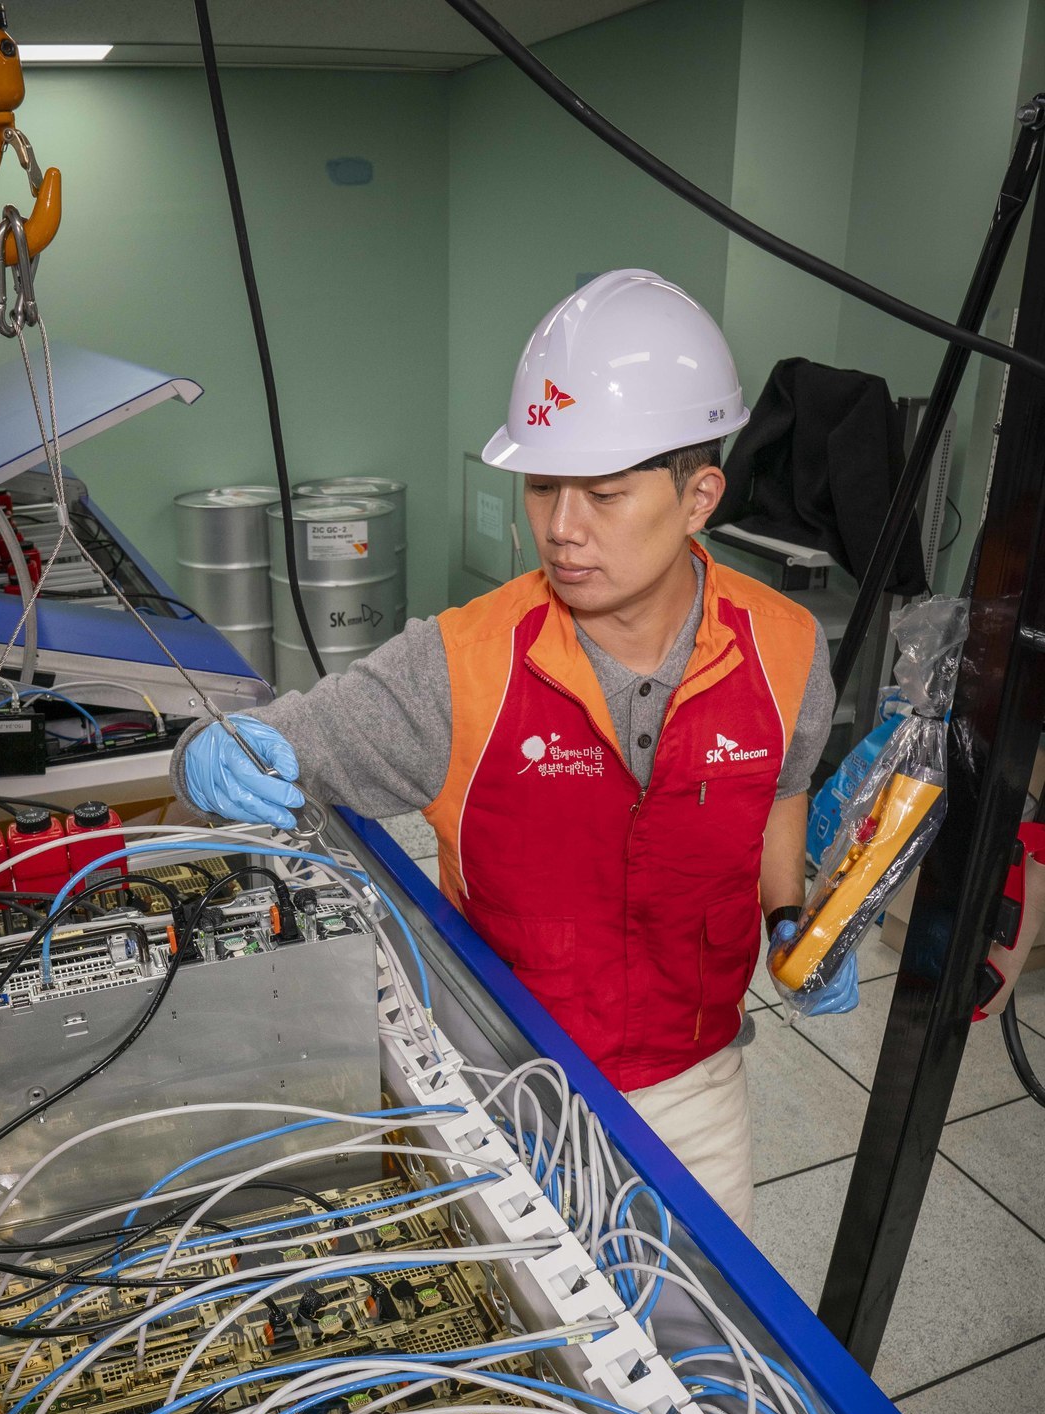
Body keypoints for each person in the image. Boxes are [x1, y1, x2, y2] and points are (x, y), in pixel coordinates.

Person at [172, 269, 858, 1231]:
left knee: (705, 1354)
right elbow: (284, 744)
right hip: (504, 1075)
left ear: (699, 495)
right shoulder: (462, 666)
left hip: (696, 1085)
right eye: (542, 485)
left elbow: (782, 786)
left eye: (605, 494)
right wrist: (211, 749)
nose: (561, 529)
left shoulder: (787, 650)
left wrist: (791, 915)